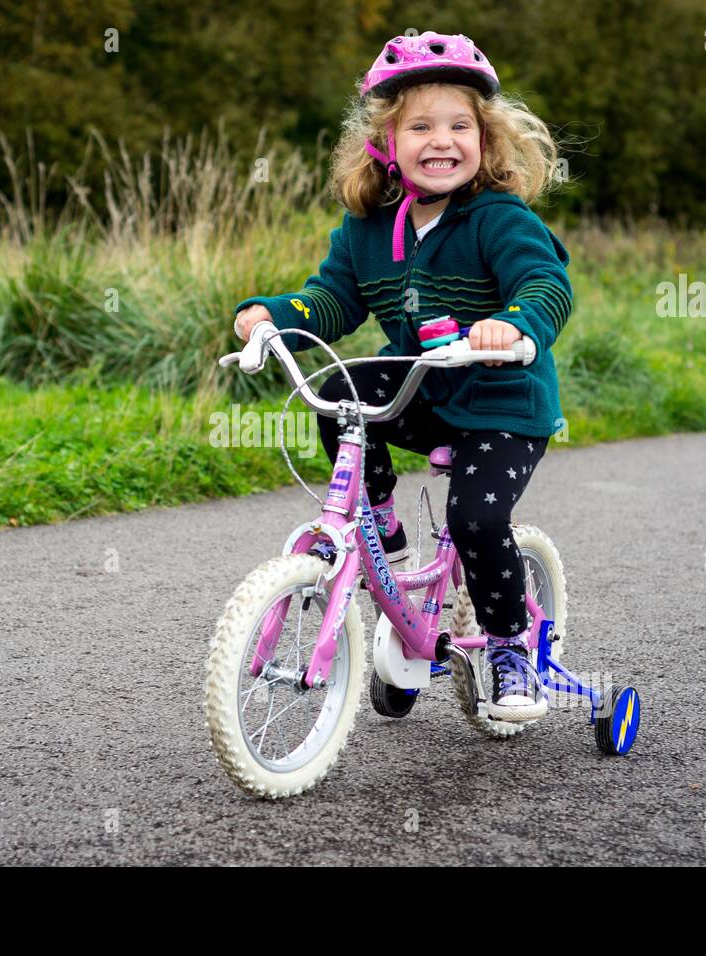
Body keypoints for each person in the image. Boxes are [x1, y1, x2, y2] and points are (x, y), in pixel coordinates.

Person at [233, 31, 572, 722]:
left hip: (504, 403)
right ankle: (380, 529)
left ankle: (510, 652)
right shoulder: (366, 229)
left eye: (459, 125)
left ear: (486, 139)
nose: (440, 140)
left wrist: (516, 325)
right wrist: (272, 316)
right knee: (340, 388)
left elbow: (546, 285)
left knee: (475, 520)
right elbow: (328, 300)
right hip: (428, 391)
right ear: (386, 143)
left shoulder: (499, 221)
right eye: (420, 126)